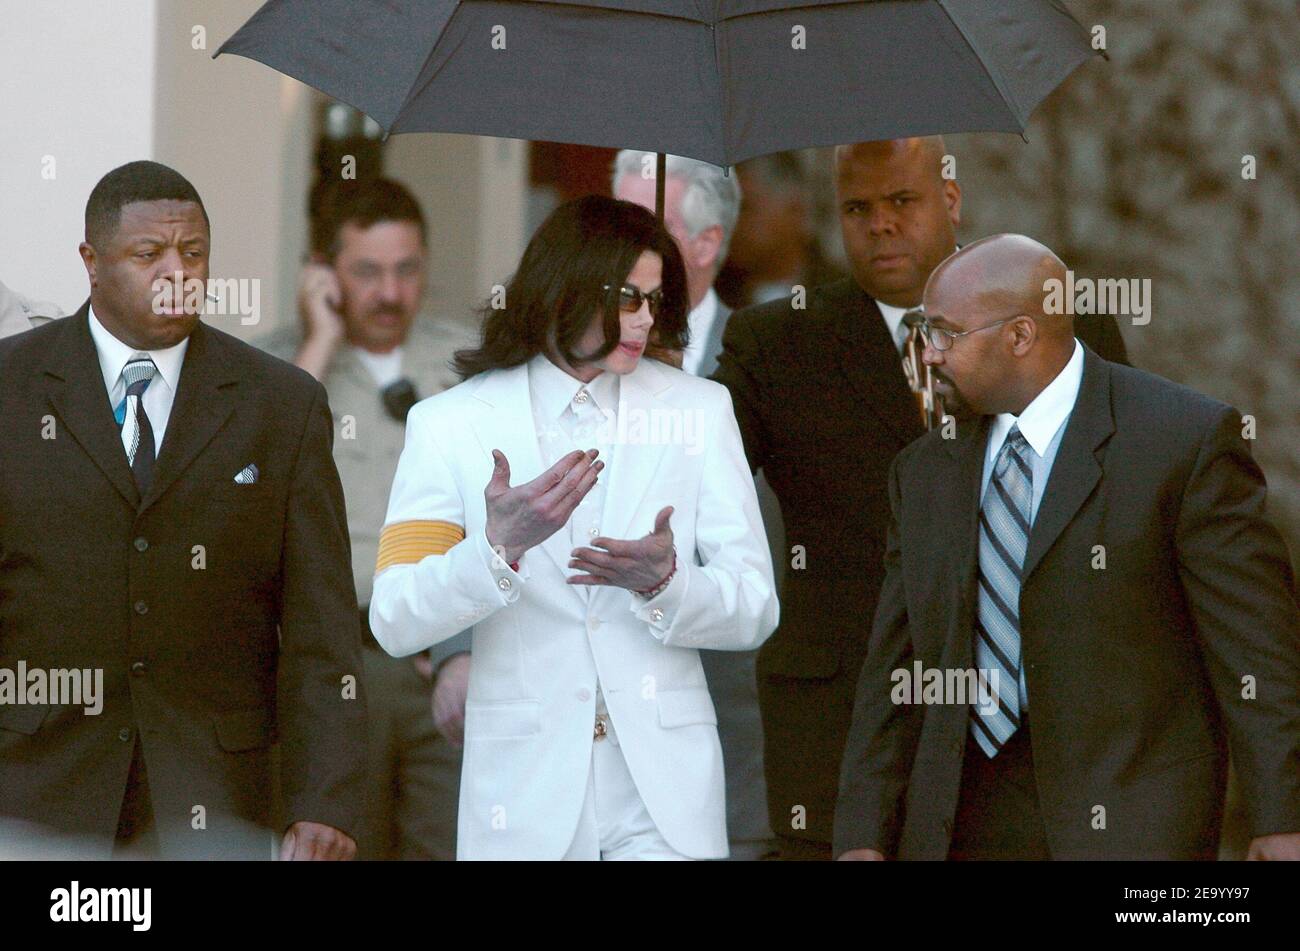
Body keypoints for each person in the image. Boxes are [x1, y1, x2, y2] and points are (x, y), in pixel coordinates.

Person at [712, 136, 1132, 860]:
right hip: (839, 738)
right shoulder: (776, 341)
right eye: (856, 207)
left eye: (901, 201)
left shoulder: (1059, 321)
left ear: (950, 198)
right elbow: (700, 473)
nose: (879, 224)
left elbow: (1120, 493)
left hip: (1030, 732)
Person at [834, 234, 1300, 860]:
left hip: (1133, 826)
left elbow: (1255, 650)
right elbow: (895, 669)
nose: (929, 355)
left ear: (1020, 335)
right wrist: (862, 835)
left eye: (944, 333)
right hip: (959, 828)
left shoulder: (1182, 442)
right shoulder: (922, 471)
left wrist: (1282, 816)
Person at [368, 195, 778, 860]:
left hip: (665, 799)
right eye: (627, 297)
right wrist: (495, 549)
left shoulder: (701, 411)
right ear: (565, 287)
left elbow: (754, 606)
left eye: (654, 299)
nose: (645, 319)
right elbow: (394, 616)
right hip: (523, 795)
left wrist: (668, 584)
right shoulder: (449, 423)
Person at [0, 161, 366, 860]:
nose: (178, 273)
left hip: (214, 789)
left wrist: (325, 798)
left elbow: (321, 625)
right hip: (38, 786)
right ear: (91, 262)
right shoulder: (11, 387)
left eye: (193, 253)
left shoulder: (280, 404)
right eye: (149, 255)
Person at [258, 178, 475, 860]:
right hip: (333, 663)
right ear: (321, 273)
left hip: (441, 657)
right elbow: (251, 484)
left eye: (407, 269)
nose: (390, 292)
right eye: (367, 271)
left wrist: (461, 645)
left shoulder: (470, 360)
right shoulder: (275, 364)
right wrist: (320, 342)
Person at [613, 150, 777, 860]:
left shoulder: (774, 358)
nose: (620, 247)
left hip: (720, 737)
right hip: (575, 755)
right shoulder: (551, 358)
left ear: (707, 244)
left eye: (643, 224)